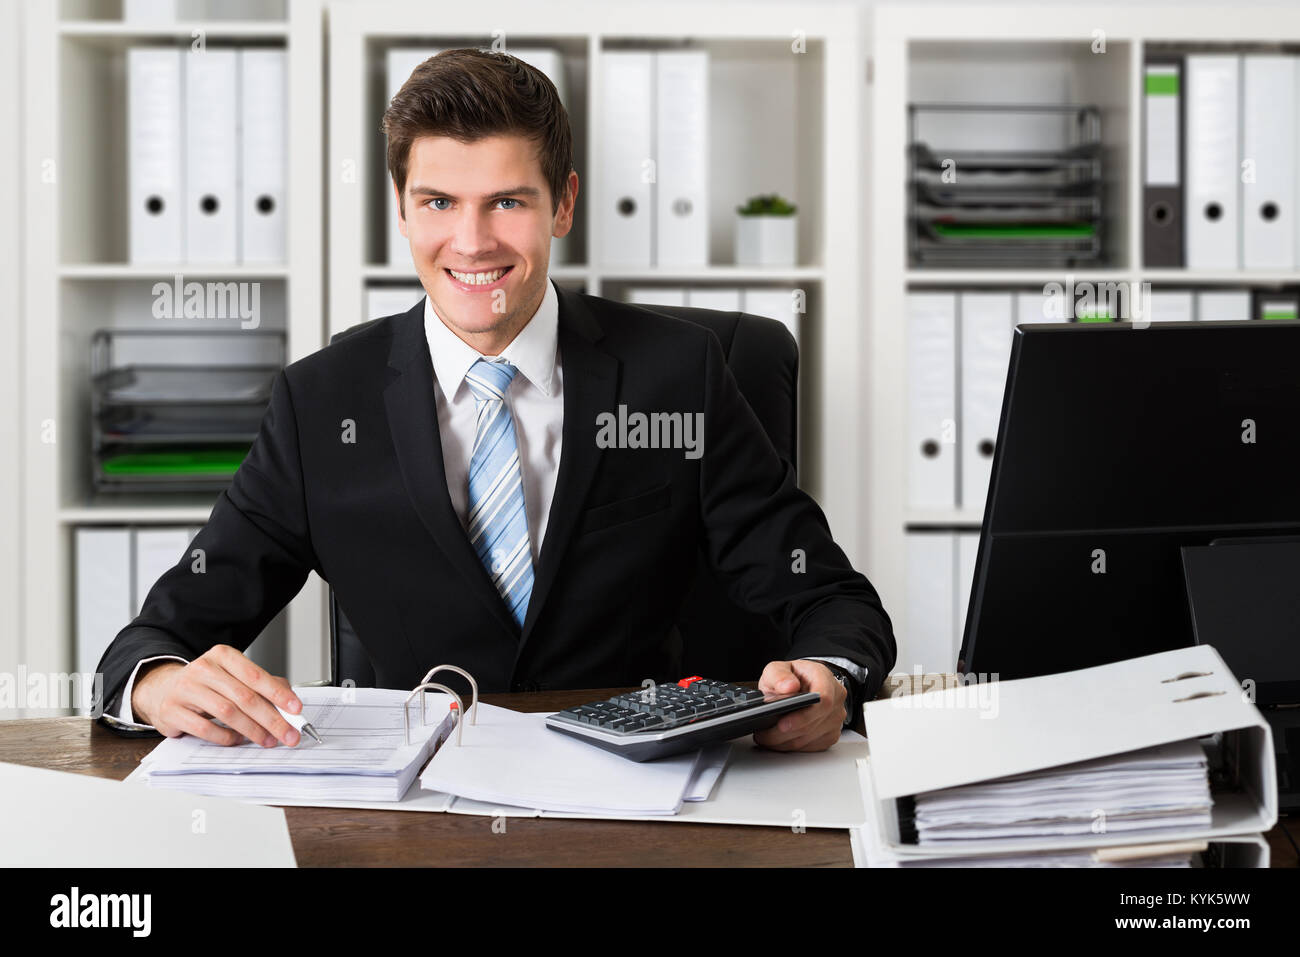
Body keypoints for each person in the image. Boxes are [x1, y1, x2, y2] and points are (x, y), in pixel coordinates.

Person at [94, 48, 894, 753]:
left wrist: (831, 678)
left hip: (637, 802)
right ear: (401, 209)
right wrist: (157, 683)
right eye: (440, 201)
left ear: (564, 204)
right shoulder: (321, 402)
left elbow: (830, 599)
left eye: (507, 201)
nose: (472, 242)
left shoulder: (679, 373)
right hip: (416, 816)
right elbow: (155, 637)